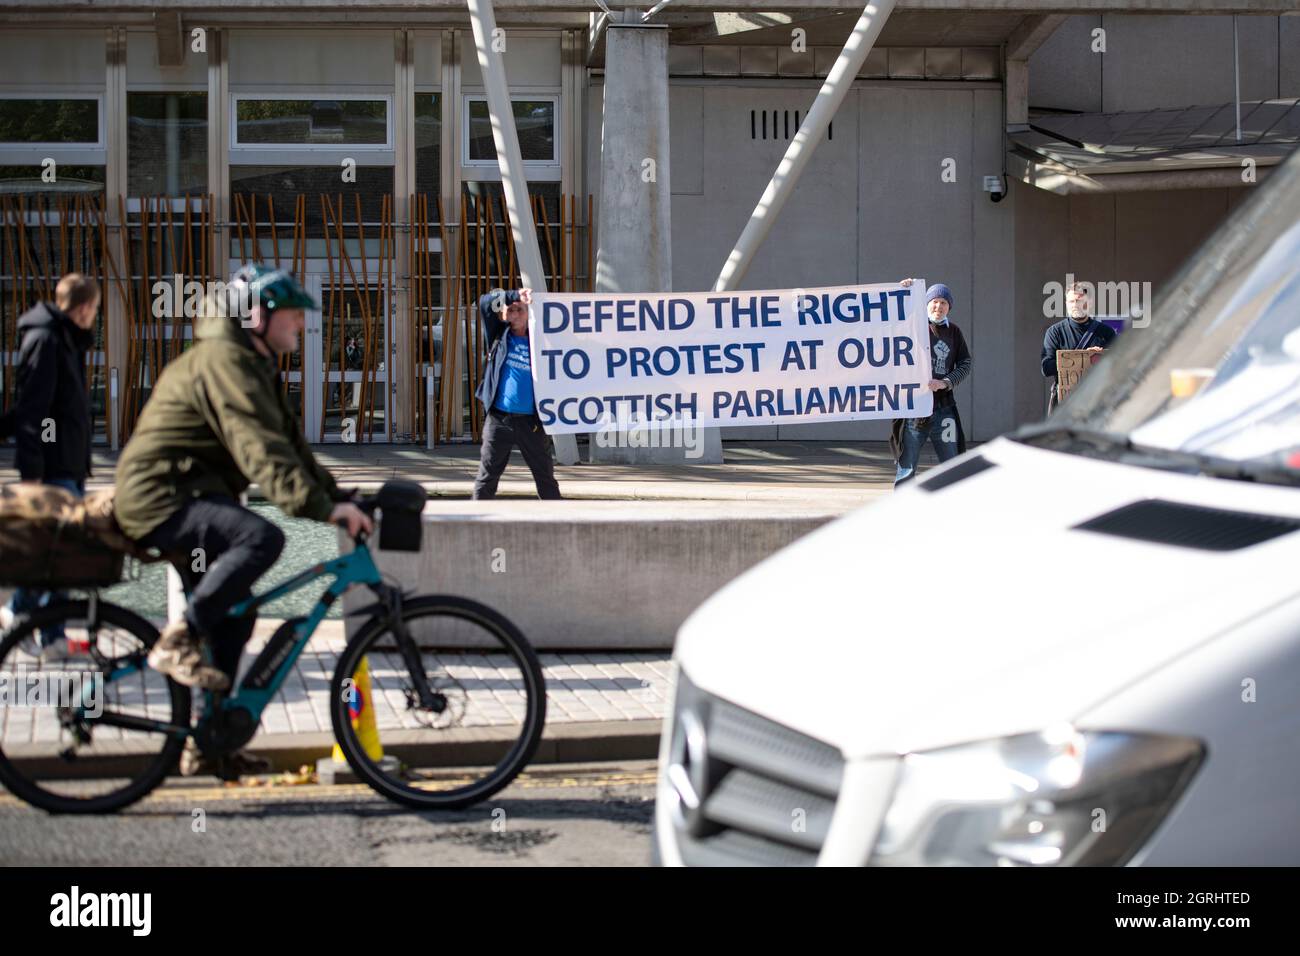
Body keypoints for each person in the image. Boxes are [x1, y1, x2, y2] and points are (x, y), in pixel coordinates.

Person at [113, 264, 372, 774]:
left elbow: (291, 446)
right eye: (293, 316)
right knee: (261, 537)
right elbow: (259, 449)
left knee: (238, 615)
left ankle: (211, 745)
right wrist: (319, 509)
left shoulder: (256, 363)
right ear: (256, 316)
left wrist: (339, 496)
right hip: (160, 496)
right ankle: (178, 638)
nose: (302, 325)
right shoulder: (225, 361)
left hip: (192, 493)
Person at [0, 274, 100, 654]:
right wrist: (35, 471)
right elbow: (38, 414)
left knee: (61, 558)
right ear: (83, 308)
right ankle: (20, 610)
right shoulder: (46, 340)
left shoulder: (63, 339)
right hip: (55, 469)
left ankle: (53, 636)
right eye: (94, 308)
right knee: (59, 555)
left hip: (69, 466)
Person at [472, 287, 562, 500]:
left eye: (519, 310)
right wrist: (514, 296)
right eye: (510, 310)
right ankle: (471, 520)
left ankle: (559, 523)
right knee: (487, 477)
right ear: (503, 314)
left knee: (545, 477)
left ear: (528, 313)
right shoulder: (498, 335)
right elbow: (485, 301)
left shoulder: (541, 340)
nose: (514, 314)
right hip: (499, 419)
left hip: (531, 422)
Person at [891, 280, 972, 486]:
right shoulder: (912, 326)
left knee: (953, 465)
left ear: (949, 306)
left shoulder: (954, 332)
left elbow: (965, 363)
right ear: (926, 304)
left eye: (944, 302)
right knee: (906, 467)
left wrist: (945, 382)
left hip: (944, 409)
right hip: (914, 411)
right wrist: (904, 291)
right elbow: (891, 321)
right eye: (934, 301)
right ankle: (903, 510)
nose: (939, 306)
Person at [1041, 282, 1116, 412]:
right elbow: (1046, 368)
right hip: (1065, 404)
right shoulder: (1055, 332)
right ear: (1066, 303)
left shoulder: (1106, 332)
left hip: (1097, 402)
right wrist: (1083, 358)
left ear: (1090, 303)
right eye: (1071, 301)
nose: (1075, 305)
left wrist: (1099, 356)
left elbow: (1117, 364)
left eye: (1079, 301)